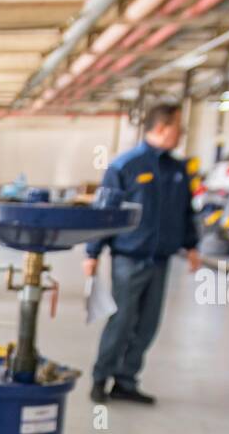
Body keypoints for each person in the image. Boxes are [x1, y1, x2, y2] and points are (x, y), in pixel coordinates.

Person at [83, 102, 200, 405]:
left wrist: (192, 246)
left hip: (160, 260)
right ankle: (100, 377)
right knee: (121, 321)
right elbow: (106, 212)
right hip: (128, 258)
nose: (181, 133)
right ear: (161, 128)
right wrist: (92, 252)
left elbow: (186, 212)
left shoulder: (177, 170)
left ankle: (126, 380)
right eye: (178, 126)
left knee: (148, 325)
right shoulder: (126, 166)